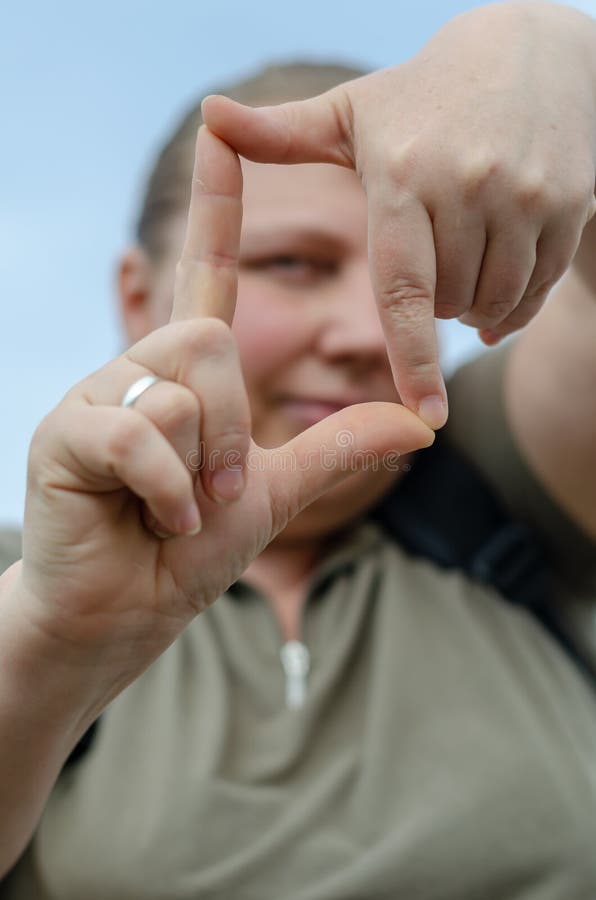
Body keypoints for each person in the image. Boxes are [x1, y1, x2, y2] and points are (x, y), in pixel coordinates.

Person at [1, 2, 596, 897]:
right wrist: (49, 642)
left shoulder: (502, 476)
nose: (368, 329)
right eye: (294, 265)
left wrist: (550, 46)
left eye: (411, 270)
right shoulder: (25, 581)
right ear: (136, 296)